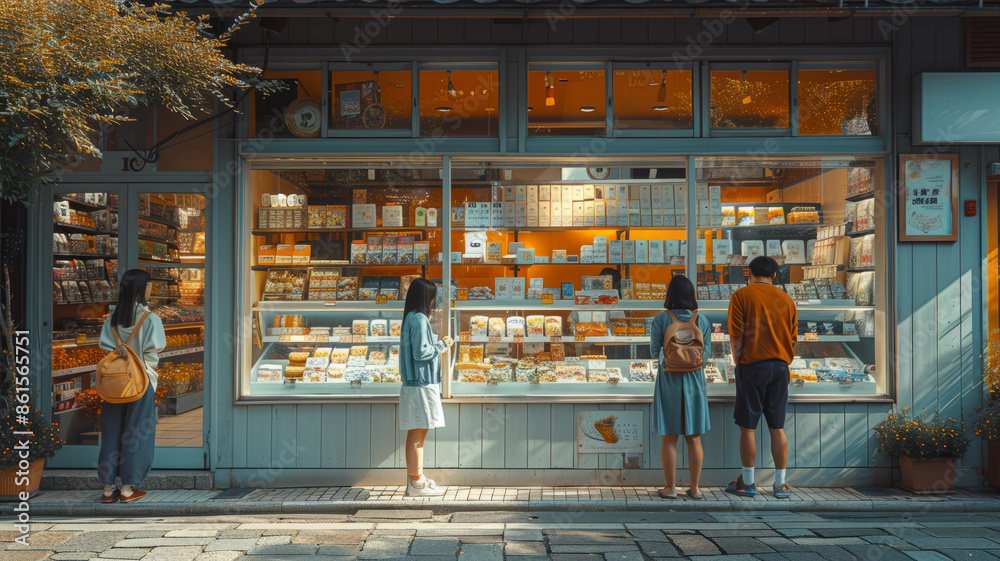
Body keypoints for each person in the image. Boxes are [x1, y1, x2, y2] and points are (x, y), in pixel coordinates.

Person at [725, 256, 798, 499]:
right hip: (780, 368)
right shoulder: (787, 300)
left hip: (753, 366)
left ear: (749, 273)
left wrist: (738, 362)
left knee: (748, 428)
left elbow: (736, 334)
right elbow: (793, 337)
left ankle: (747, 483)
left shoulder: (741, 296)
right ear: (774, 276)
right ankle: (779, 484)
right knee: (777, 427)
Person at [97, 269, 166, 503]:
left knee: (111, 433)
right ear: (140, 289)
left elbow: (107, 349)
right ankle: (127, 489)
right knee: (136, 434)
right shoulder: (150, 319)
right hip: (141, 382)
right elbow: (154, 350)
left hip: (113, 383)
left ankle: (108, 489)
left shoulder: (112, 320)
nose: (151, 288)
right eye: (148, 284)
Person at [649, 275, 712, 500]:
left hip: (669, 380)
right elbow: (708, 354)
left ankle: (670, 488)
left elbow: (654, 351)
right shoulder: (702, 320)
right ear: (691, 294)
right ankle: (695, 489)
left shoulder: (660, 320)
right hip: (695, 380)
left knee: (670, 437)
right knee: (694, 437)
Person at [399, 278, 454, 497]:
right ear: (425, 298)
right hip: (421, 384)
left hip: (413, 384)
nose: (434, 301)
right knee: (418, 436)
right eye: (432, 296)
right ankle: (416, 484)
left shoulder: (410, 317)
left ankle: (417, 479)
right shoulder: (420, 319)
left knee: (415, 434)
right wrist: (442, 345)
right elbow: (421, 353)